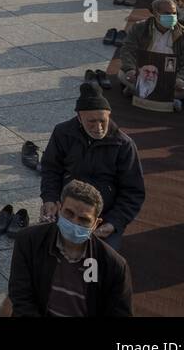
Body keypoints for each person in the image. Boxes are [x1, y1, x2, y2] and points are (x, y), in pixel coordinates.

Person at [38, 83, 145, 251]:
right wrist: (50, 199)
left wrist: (114, 222)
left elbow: (133, 192)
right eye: (92, 122)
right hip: (67, 209)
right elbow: (51, 169)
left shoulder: (124, 145)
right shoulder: (62, 132)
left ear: (109, 115)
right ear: (79, 118)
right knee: (44, 247)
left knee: (100, 259)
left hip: (102, 216)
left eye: (103, 121)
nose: (99, 127)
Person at [4, 179, 133, 316]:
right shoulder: (28, 240)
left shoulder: (115, 266)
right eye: (69, 213)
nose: (74, 223)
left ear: (96, 223)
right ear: (59, 209)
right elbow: (21, 297)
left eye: (84, 220)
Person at [115, 0, 184, 104]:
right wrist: (130, 69)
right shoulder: (139, 28)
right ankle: (167, 99)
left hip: (171, 77)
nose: (172, 16)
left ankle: (138, 92)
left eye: (174, 13)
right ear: (155, 14)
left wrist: (182, 79)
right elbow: (127, 50)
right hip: (144, 74)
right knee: (122, 74)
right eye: (167, 13)